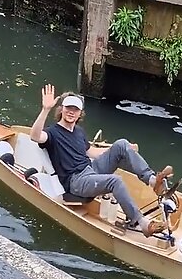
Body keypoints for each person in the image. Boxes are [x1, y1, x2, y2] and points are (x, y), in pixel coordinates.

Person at [30, 85, 174, 236]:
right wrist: (45, 109)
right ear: (62, 109)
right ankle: (142, 222)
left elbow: (92, 152)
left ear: (80, 113)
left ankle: (153, 181)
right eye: (68, 108)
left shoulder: (79, 132)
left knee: (121, 144)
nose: (71, 112)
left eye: (75, 109)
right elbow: (35, 136)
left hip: (90, 170)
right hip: (76, 181)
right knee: (115, 180)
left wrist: (122, 149)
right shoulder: (52, 133)